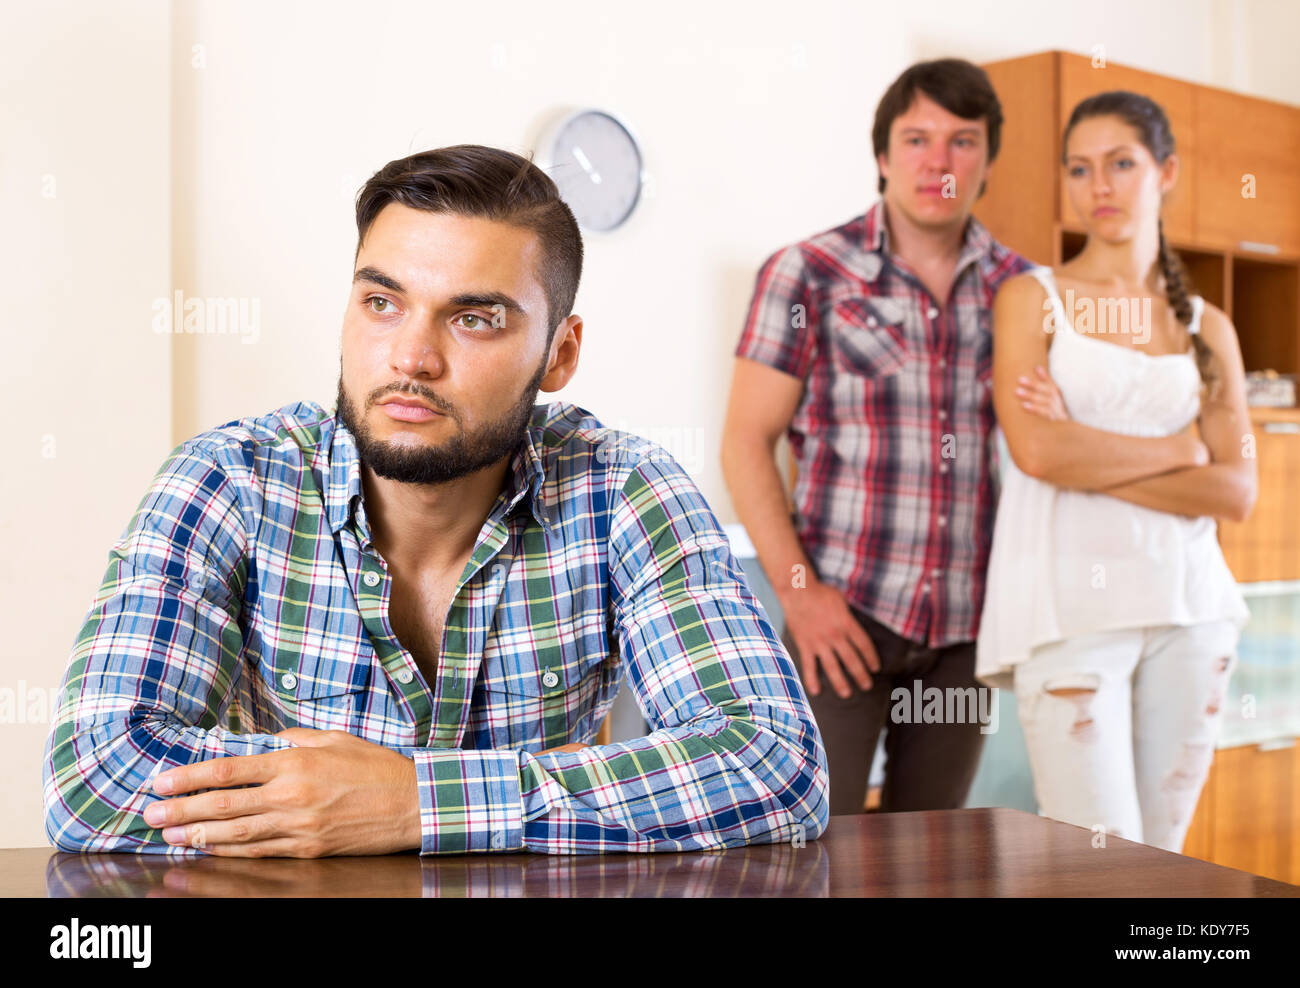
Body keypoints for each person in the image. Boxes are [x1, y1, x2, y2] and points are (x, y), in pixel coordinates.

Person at [43, 145, 828, 857]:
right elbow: (92, 775)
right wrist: (541, 787)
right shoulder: (229, 481)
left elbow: (772, 761)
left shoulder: (623, 489)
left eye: (475, 318)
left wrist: (413, 801)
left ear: (560, 354)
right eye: (382, 303)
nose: (412, 359)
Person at [722, 59, 1032, 817]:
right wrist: (802, 599)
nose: (939, 160)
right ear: (885, 156)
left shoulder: (1022, 291)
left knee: (931, 857)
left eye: (963, 141)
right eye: (917, 139)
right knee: (809, 842)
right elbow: (744, 441)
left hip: (966, 637)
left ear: (988, 161)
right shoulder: (808, 274)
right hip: (842, 620)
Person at [977, 91, 1256, 852]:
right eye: (1080, 167)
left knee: (1161, 865)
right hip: (1068, 620)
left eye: (1121, 163)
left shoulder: (1208, 326)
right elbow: (1039, 454)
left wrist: (1083, 446)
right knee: (1099, 869)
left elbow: (1236, 490)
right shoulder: (1031, 301)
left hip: (1191, 612)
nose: (1098, 185)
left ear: (1165, 172)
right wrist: (1178, 450)